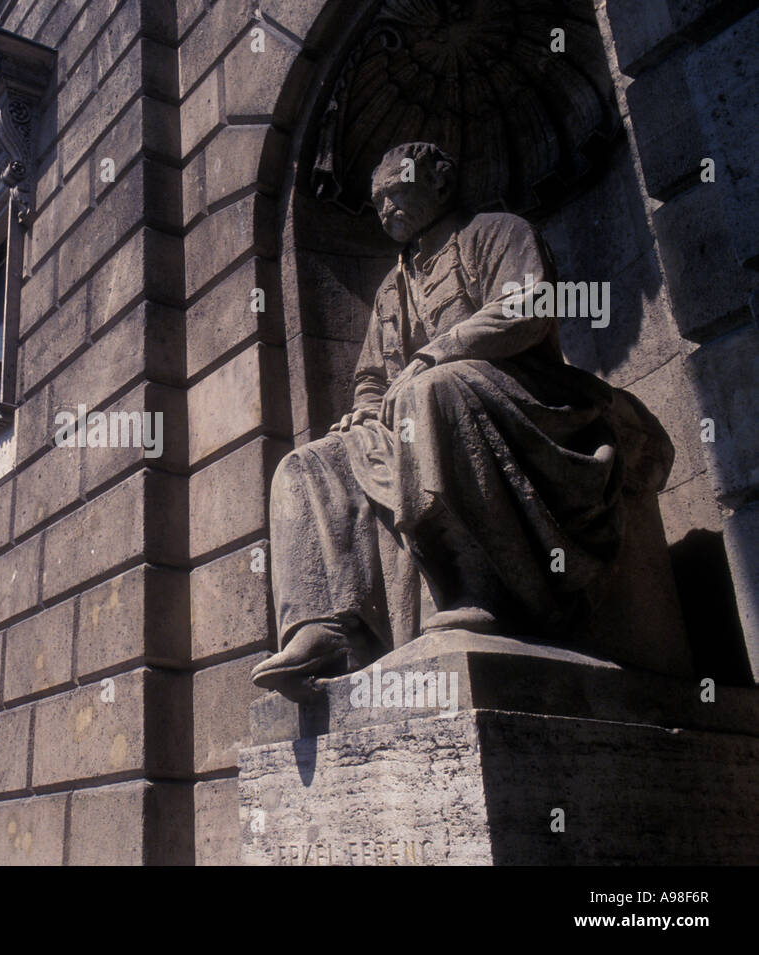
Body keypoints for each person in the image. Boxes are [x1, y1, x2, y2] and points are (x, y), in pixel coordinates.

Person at [252, 142, 674, 700]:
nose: (385, 209)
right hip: (417, 413)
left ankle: (477, 586)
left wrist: (437, 352)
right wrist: (365, 407)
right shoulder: (391, 287)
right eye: (377, 202)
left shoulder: (499, 233)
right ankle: (329, 628)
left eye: (396, 193)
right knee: (305, 464)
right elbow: (371, 376)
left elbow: (528, 306)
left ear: (441, 181)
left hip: (523, 398)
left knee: (433, 392)